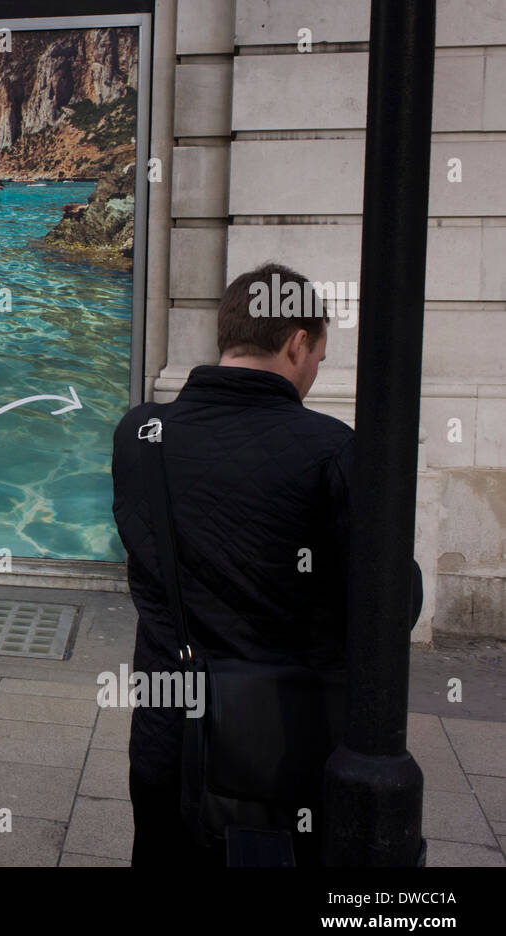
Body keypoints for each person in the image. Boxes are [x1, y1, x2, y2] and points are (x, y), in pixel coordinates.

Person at [110, 261, 423, 867]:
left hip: (169, 740)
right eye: (318, 359)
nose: (311, 374)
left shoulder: (138, 434)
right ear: (297, 342)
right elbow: (391, 610)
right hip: (283, 749)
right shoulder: (335, 451)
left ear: (228, 335)